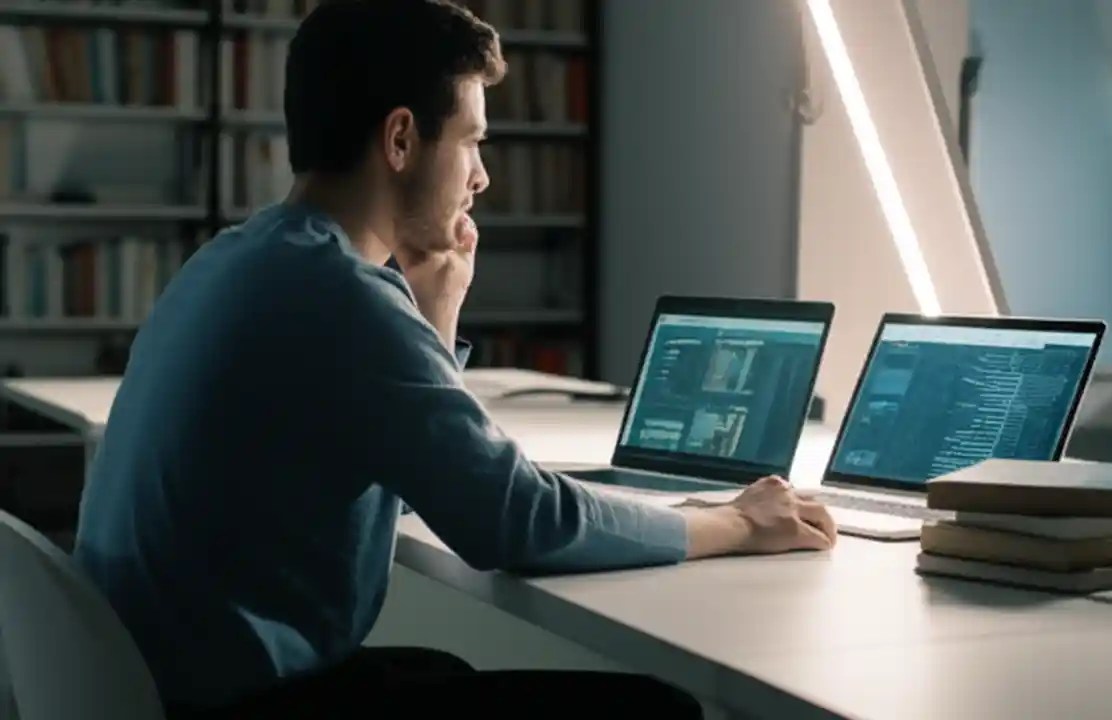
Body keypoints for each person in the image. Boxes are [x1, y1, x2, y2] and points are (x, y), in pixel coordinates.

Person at [71, 1, 838, 717]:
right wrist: (734, 522)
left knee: (443, 667)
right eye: (471, 140)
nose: (481, 177)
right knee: (656, 706)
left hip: (148, 685)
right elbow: (517, 522)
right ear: (401, 140)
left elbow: (408, 477)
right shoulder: (340, 296)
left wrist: (432, 316)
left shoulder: (239, 257)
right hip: (238, 702)